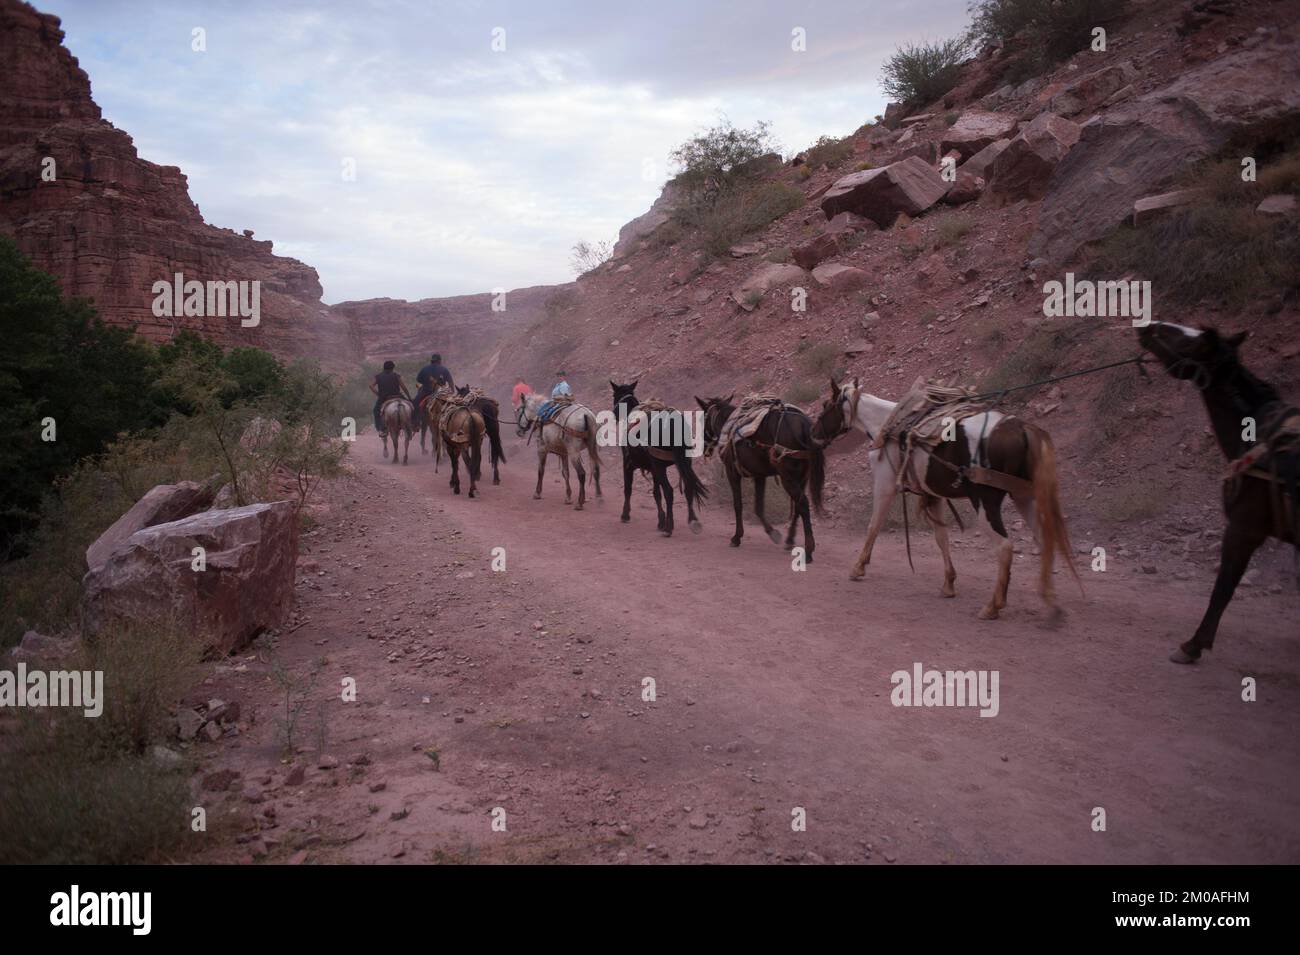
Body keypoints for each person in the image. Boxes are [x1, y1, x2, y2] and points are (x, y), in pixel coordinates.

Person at [370, 360, 412, 434]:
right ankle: (413, 424)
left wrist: (378, 394)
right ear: (392, 368)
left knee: (376, 410)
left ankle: (380, 428)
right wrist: (409, 397)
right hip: (398, 396)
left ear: (384, 368)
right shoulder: (396, 375)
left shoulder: (378, 376)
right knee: (411, 406)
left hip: (384, 398)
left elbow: (371, 386)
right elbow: (404, 387)